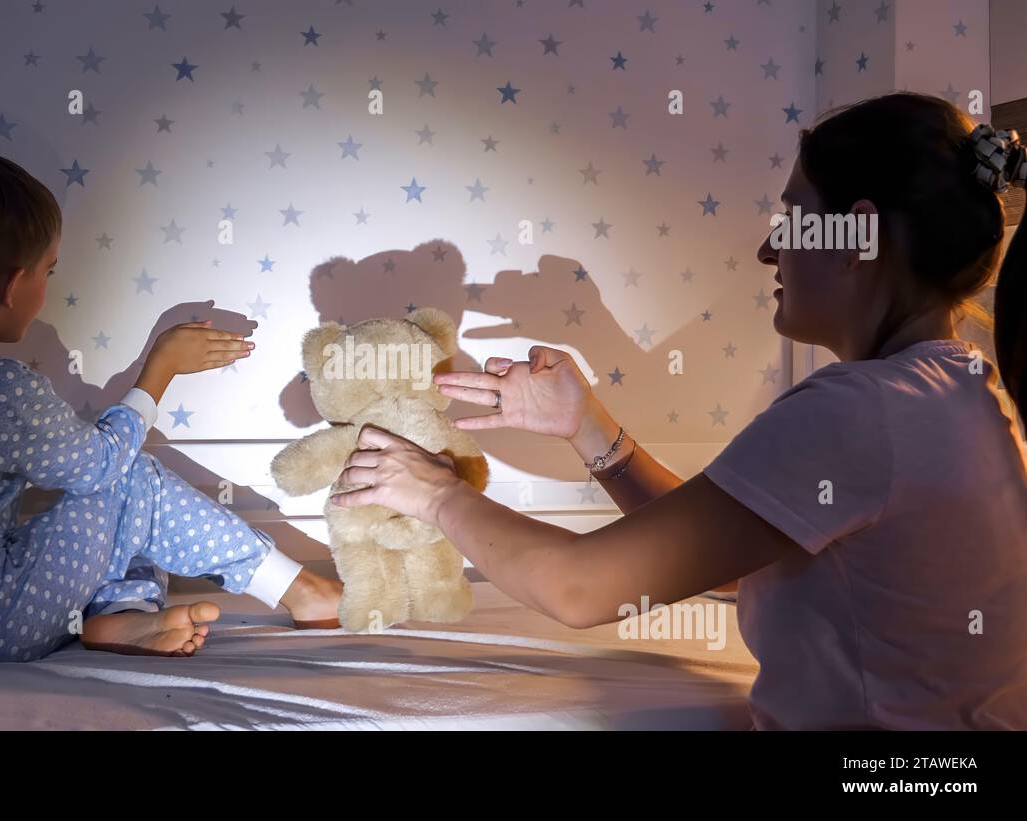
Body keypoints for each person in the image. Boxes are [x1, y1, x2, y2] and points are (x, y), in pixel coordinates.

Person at [330, 93, 1027, 730]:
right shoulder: (958, 387)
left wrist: (437, 492)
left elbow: (578, 589)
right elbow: (733, 555)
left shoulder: (860, 410)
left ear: (856, 236)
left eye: (792, 217)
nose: (767, 248)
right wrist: (588, 427)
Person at [0, 150, 340, 667]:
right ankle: (301, 589)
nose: (48, 285)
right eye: (48, 271)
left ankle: (122, 615)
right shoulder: (0, 389)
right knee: (132, 479)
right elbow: (102, 465)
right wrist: (159, 371)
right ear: (13, 286)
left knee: (113, 496)